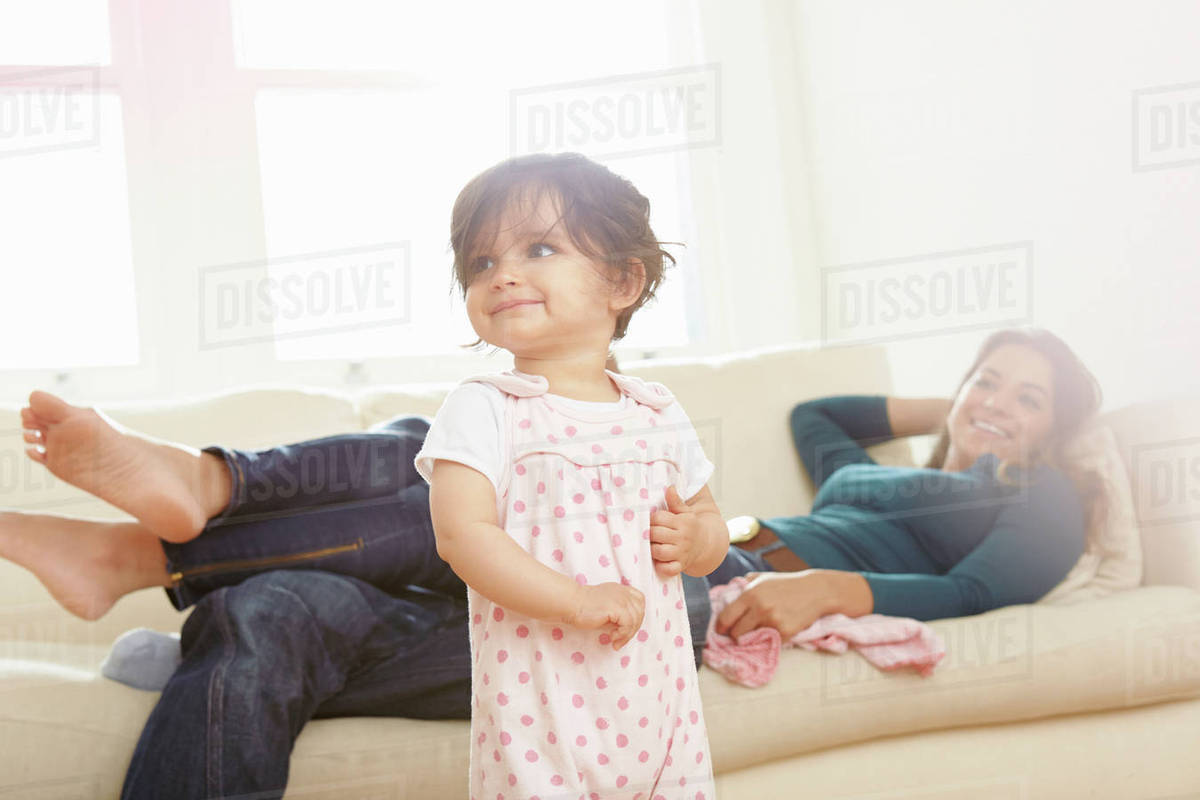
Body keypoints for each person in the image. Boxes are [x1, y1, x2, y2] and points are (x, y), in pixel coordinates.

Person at [3, 319, 1100, 798]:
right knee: (403, 482)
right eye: (985, 379)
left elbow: (978, 590)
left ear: (1055, 431)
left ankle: (175, 524)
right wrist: (959, 403)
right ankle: (172, 526)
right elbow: (826, 409)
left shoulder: (1033, 499)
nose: (997, 403)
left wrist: (829, 584)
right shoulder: (876, 466)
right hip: (618, 547)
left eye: (1026, 396)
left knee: (345, 541)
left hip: (682, 581)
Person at [414, 153, 725, 798]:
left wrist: (696, 543)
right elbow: (462, 536)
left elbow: (709, 524)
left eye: (539, 248)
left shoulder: (657, 411)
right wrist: (577, 602)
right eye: (481, 263)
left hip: (660, 710)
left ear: (621, 281)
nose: (503, 276)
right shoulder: (486, 406)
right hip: (543, 717)